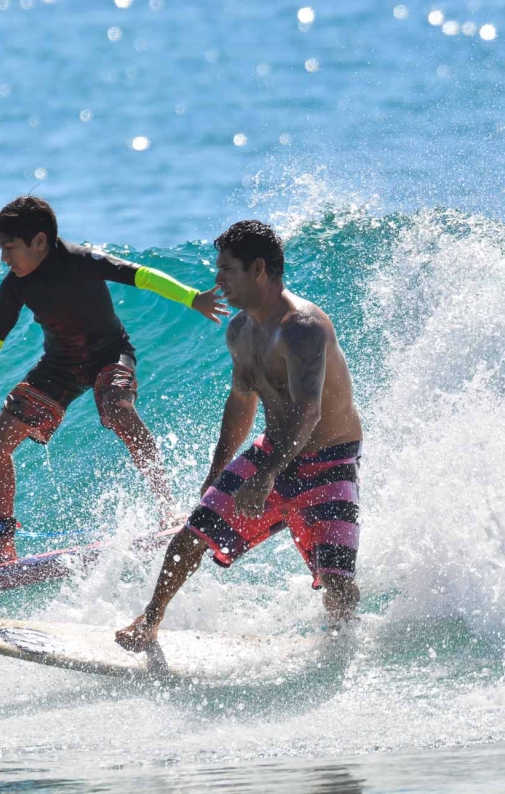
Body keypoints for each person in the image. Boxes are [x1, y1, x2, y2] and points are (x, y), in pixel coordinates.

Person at [0, 196, 228, 566]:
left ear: (39, 240)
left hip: (110, 353)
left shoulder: (82, 260)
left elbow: (141, 276)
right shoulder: (15, 285)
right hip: (60, 365)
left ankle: (169, 509)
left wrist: (193, 298)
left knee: (118, 409)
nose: (4, 258)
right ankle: (2, 542)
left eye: (9, 248)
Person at [116, 220, 363, 651]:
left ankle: (342, 647)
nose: (218, 280)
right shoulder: (240, 332)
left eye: (227, 269)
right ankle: (149, 622)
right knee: (193, 534)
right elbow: (241, 402)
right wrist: (217, 471)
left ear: (258, 269)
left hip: (328, 459)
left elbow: (309, 411)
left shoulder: (302, 328)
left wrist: (267, 474)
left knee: (336, 577)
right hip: (275, 452)